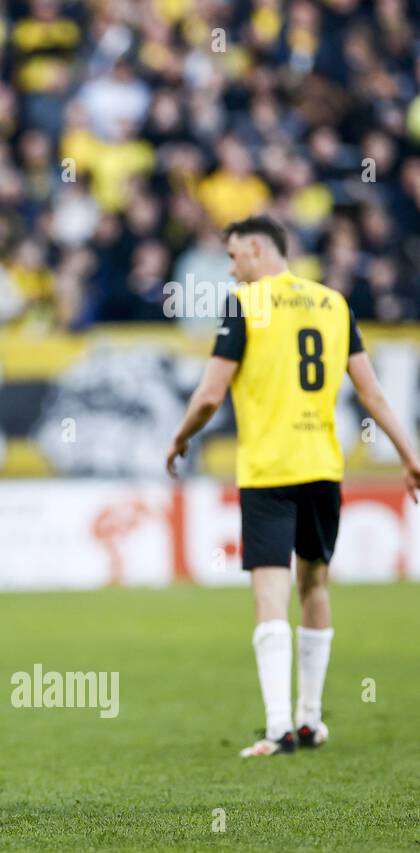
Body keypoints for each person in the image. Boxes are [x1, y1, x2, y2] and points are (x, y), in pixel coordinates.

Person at [167, 214, 420, 757]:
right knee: (316, 586)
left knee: (269, 593)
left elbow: (211, 394)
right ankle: (310, 720)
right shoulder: (333, 303)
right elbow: (371, 391)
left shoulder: (246, 305)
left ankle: (279, 727)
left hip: (269, 470)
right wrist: (410, 454)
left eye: (235, 258)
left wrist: (181, 437)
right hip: (324, 468)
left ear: (258, 249)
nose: (232, 272)